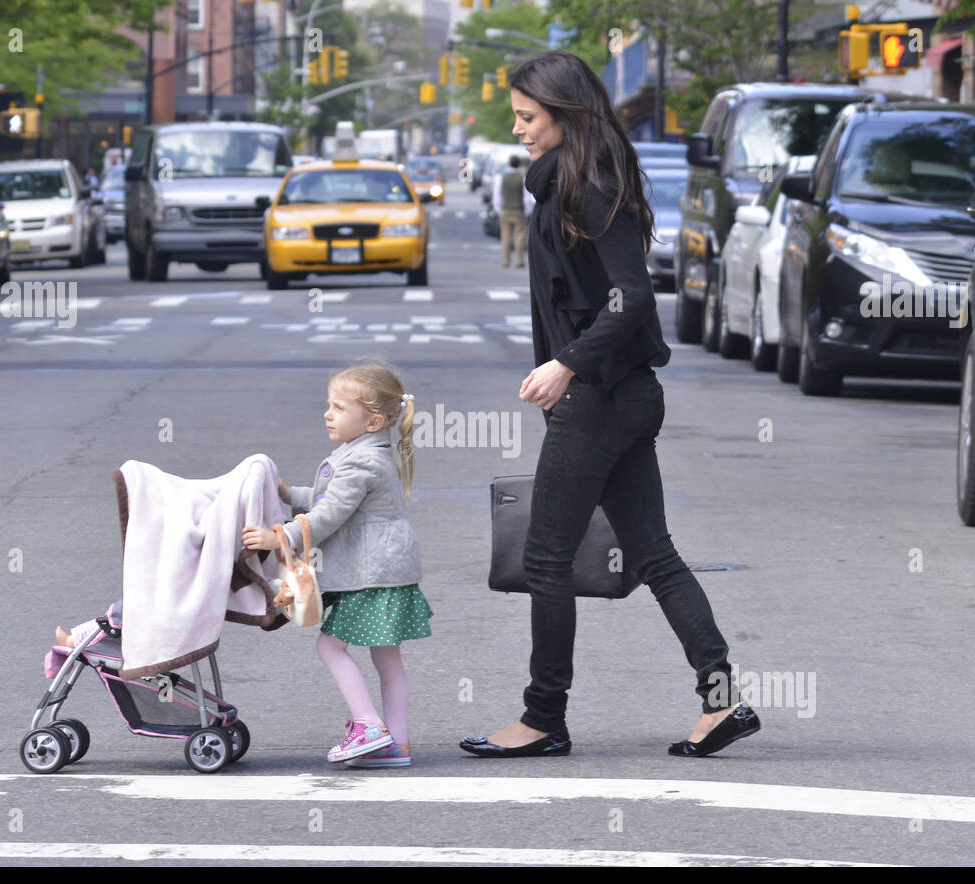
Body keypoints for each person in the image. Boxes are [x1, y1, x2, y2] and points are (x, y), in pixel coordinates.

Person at [459, 51, 760, 760]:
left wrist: (568, 364)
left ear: (566, 114)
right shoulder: (568, 183)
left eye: (530, 117)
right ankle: (722, 704)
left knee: (545, 559)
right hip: (621, 396)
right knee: (653, 553)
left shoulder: (588, 187)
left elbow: (632, 294)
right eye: (518, 116)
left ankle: (543, 718)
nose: (519, 127)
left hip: (600, 398)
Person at [243, 363, 432, 767]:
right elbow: (332, 497)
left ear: (373, 420)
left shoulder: (361, 461)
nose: (328, 414)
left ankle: (368, 725)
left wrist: (281, 536)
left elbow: (330, 514)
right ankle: (396, 742)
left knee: (330, 647)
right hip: (388, 570)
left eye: (339, 408)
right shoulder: (367, 452)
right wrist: (291, 494)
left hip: (372, 574)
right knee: (387, 658)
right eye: (328, 405)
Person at [494, 154, 534, 268]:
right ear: (519, 164)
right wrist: (527, 211)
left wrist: (499, 209)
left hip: (506, 209)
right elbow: (526, 197)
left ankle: (506, 260)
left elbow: (498, 195)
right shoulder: (522, 177)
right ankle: (519, 260)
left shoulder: (502, 177)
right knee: (520, 235)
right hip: (519, 210)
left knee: (506, 235)